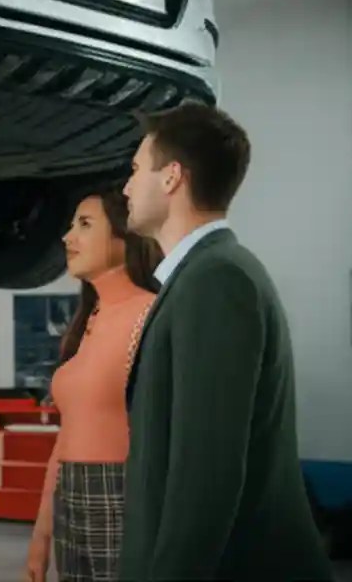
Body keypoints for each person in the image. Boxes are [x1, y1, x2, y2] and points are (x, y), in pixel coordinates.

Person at [118, 104, 332, 581]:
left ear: (172, 177)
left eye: (134, 170)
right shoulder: (205, 276)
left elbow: (205, 477)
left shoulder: (216, 281)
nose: (126, 186)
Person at [24, 190, 162, 582]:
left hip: (124, 494)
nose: (67, 238)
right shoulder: (89, 320)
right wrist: (40, 537)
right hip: (71, 494)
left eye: (84, 224)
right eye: (71, 226)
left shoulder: (151, 314)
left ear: (125, 234)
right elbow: (66, 441)